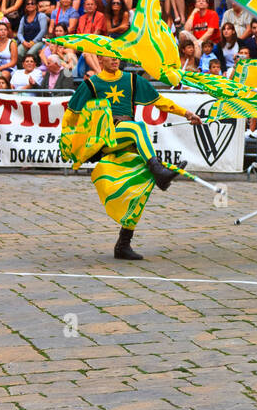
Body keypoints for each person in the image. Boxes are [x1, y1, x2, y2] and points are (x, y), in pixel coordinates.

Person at [62, 56, 203, 258]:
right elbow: (72, 114)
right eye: (110, 57)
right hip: (107, 137)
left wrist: (187, 113)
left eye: (117, 56)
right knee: (138, 127)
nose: (115, 60)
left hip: (126, 140)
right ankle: (158, 170)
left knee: (140, 188)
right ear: (100, 59)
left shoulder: (131, 80)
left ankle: (123, 243)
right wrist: (74, 144)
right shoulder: (92, 84)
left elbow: (160, 102)